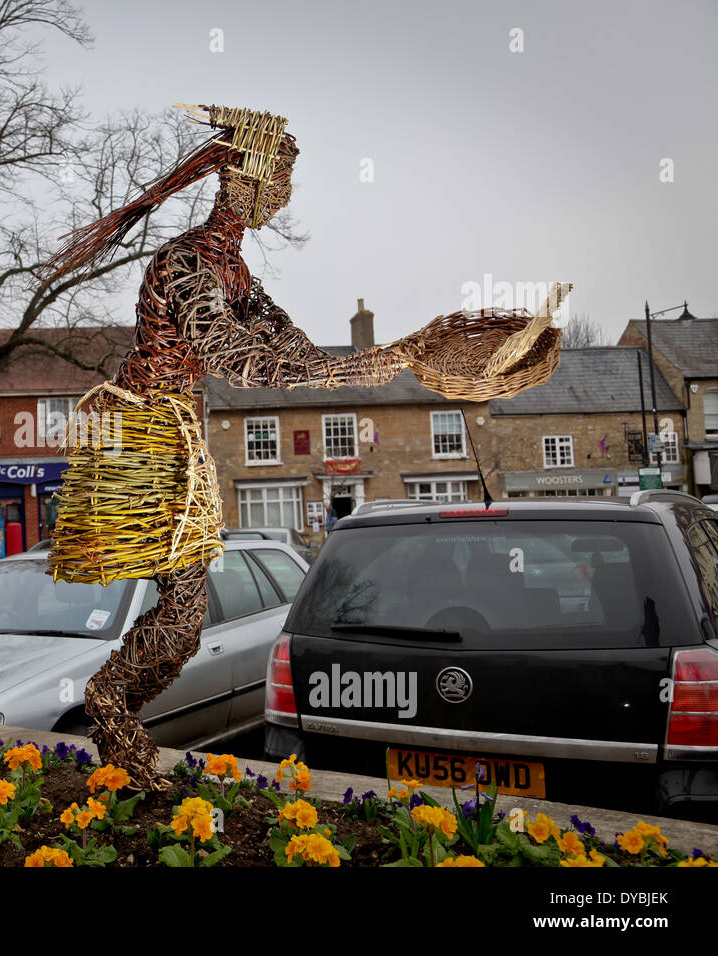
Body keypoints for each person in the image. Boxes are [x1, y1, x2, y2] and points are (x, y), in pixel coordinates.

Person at [38, 104, 555, 787]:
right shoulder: (186, 263)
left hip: (176, 438)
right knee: (182, 612)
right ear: (242, 183)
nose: (285, 194)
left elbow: (295, 352)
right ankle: (109, 705)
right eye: (280, 177)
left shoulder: (240, 276)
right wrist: (365, 364)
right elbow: (237, 359)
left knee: (186, 618)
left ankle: (111, 707)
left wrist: (391, 355)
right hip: (139, 440)